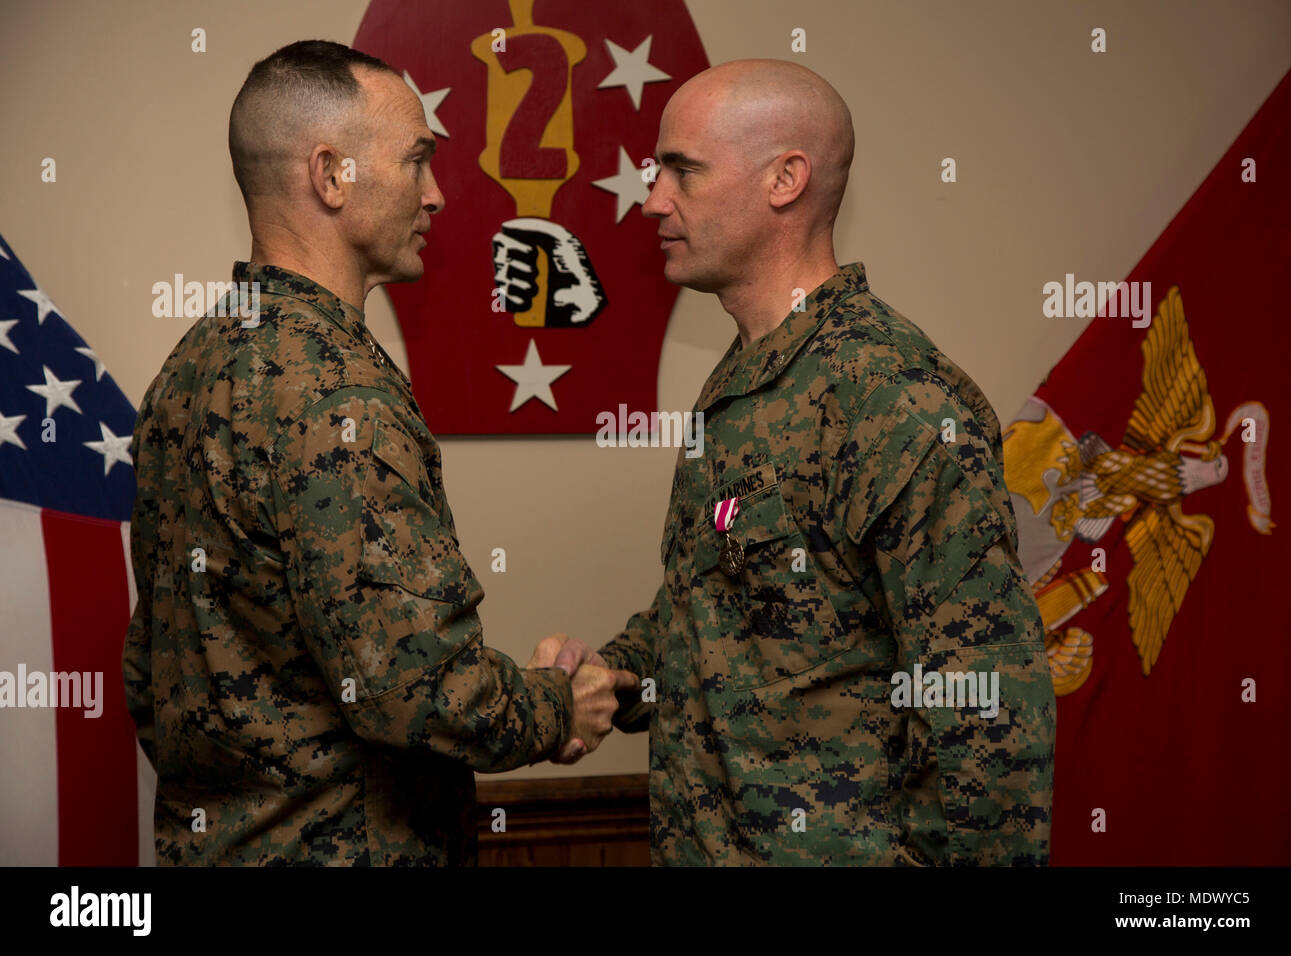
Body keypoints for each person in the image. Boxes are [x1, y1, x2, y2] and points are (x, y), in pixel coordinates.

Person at [122, 39, 634, 866]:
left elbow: (152, 680)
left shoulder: (186, 370)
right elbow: (420, 689)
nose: (435, 195)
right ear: (332, 176)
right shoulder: (338, 395)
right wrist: (556, 708)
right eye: (417, 160)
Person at [544, 59, 1057, 865]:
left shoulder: (891, 396)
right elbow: (716, 616)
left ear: (785, 179)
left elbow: (985, 707)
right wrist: (611, 675)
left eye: (682, 170)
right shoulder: (745, 381)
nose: (653, 201)